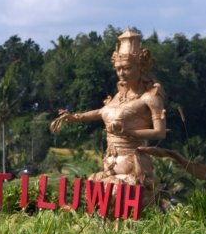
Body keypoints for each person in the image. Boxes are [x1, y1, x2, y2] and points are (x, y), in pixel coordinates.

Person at [49, 29, 169, 203]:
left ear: (141, 67)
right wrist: (75, 117)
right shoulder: (118, 96)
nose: (121, 73)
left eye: (127, 68)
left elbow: (160, 133)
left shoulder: (150, 97)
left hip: (133, 165)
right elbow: (101, 112)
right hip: (110, 164)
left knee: (122, 201)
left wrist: (129, 132)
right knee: (97, 196)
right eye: (118, 69)